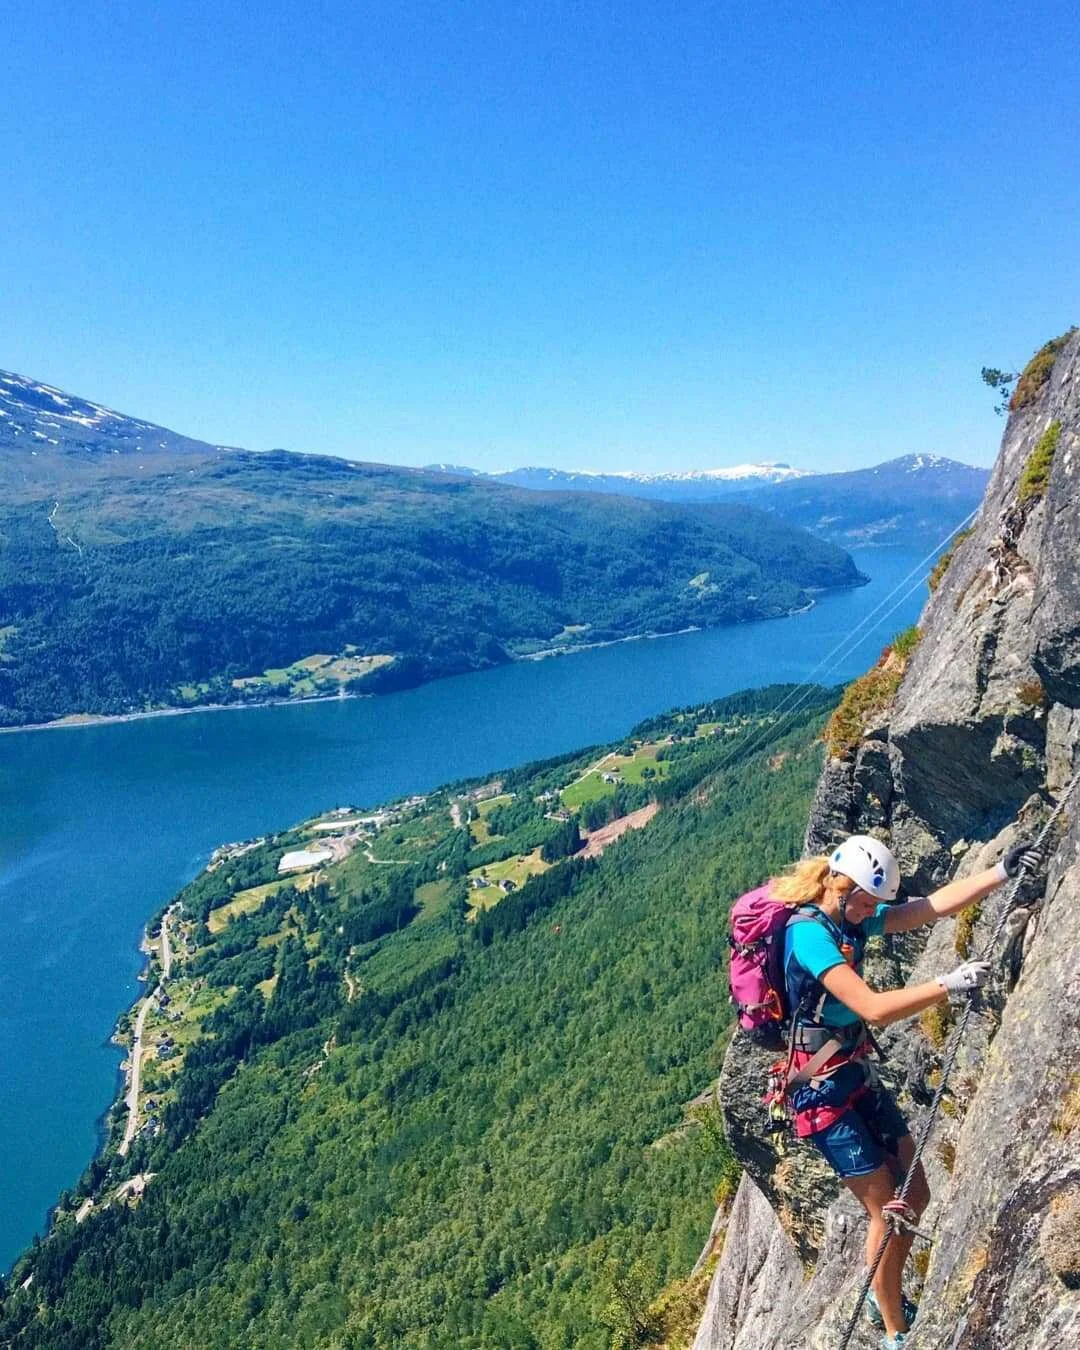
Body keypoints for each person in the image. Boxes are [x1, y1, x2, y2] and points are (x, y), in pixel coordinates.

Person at [770, 834, 1036, 1349]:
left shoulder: (848, 914)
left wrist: (1000, 872)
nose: (872, 913)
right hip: (820, 1095)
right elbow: (872, 1007)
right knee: (886, 1208)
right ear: (839, 886)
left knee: (916, 1190)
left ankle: (883, 1292)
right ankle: (894, 1329)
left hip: (850, 1073)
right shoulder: (810, 935)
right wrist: (948, 983)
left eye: (874, 905)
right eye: (867, 902)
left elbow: (921, 911)